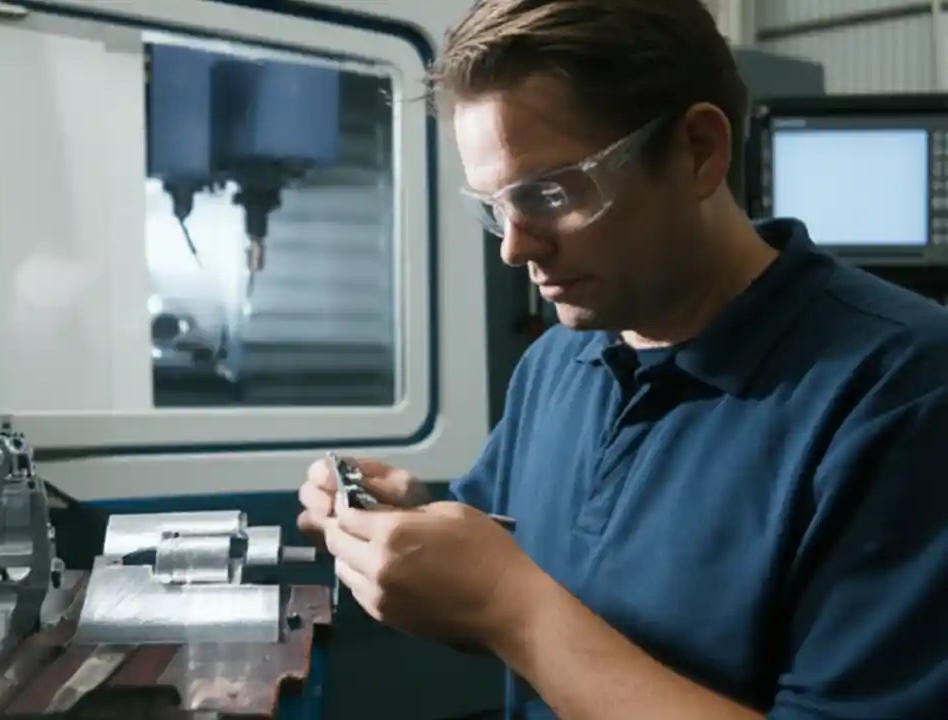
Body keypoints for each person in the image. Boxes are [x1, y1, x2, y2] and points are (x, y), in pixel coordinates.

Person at [296, 0, 948, 718]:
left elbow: (514, 599)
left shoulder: (903, 392)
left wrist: (506, 606)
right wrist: (419, 526)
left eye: (548, 192)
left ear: (698, 149)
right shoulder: (556, 364)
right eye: (493, 208)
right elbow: (517, 557)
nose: (515, 248)